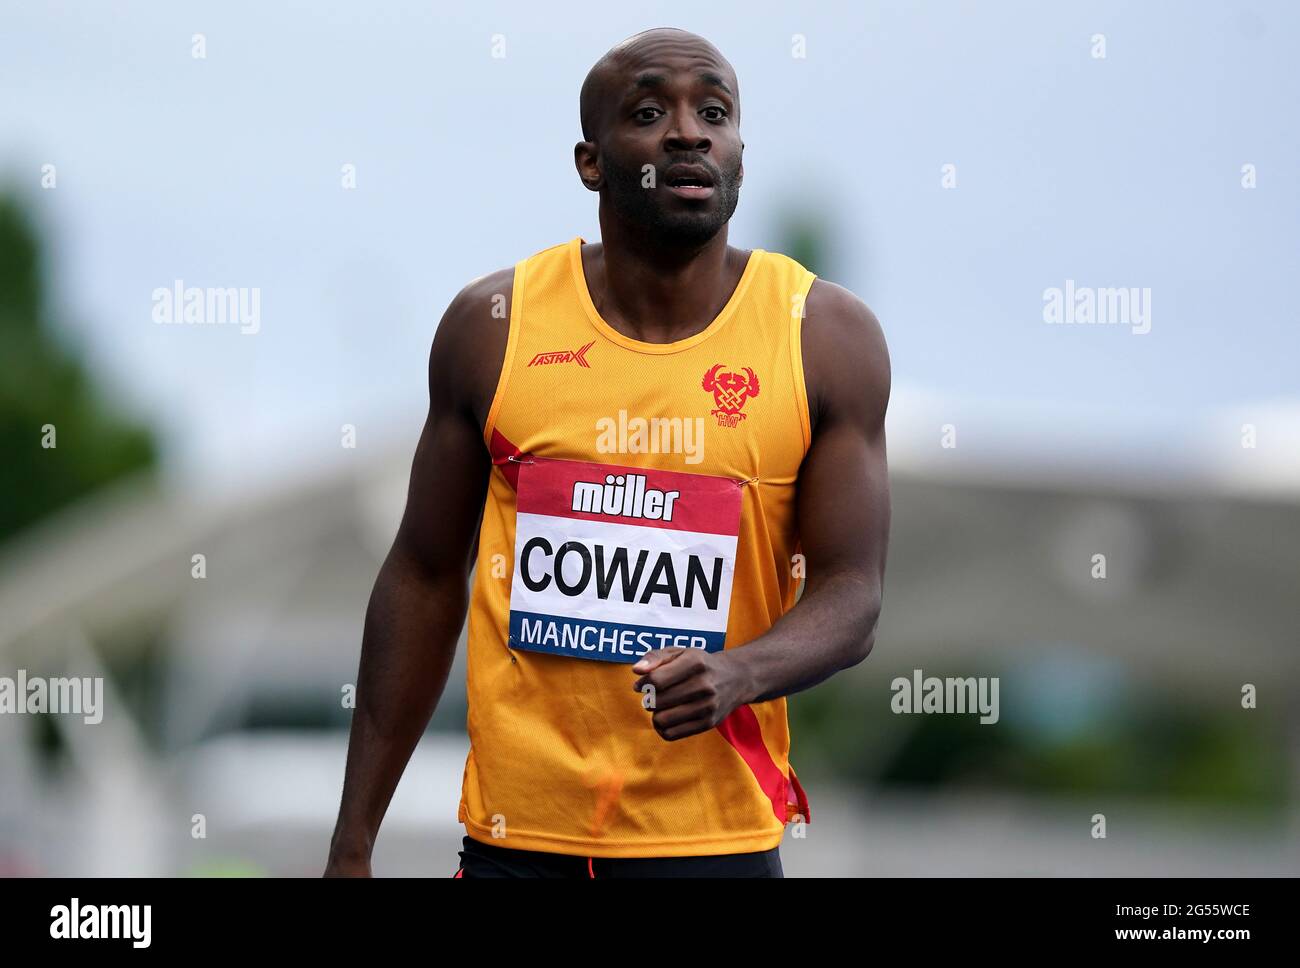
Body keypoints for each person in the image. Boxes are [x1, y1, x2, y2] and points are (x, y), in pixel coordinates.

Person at [325, 26, 891, 878]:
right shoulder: (494, 330)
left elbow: (854, 594)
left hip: (716, 847)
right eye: (650, 111)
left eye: (714, 111)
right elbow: (425, 573)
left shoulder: (824, 338)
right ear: (591, 162)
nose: (689, 132)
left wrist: (739, 672)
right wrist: (352, 841)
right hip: (519, 846)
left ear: (740, 154)